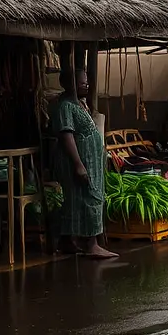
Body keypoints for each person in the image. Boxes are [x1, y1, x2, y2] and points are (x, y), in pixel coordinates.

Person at [50, 63, 114, 259]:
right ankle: (91, 243)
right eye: (81, 83)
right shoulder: (65, 106)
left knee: (79, 200)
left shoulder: (81, 104)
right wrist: (78, 164)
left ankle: (68, 241)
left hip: (91, 161)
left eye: (86, 82)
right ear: (70, 85)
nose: (86, 86)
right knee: (87, 198)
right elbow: (66, 134)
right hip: (78, 161)